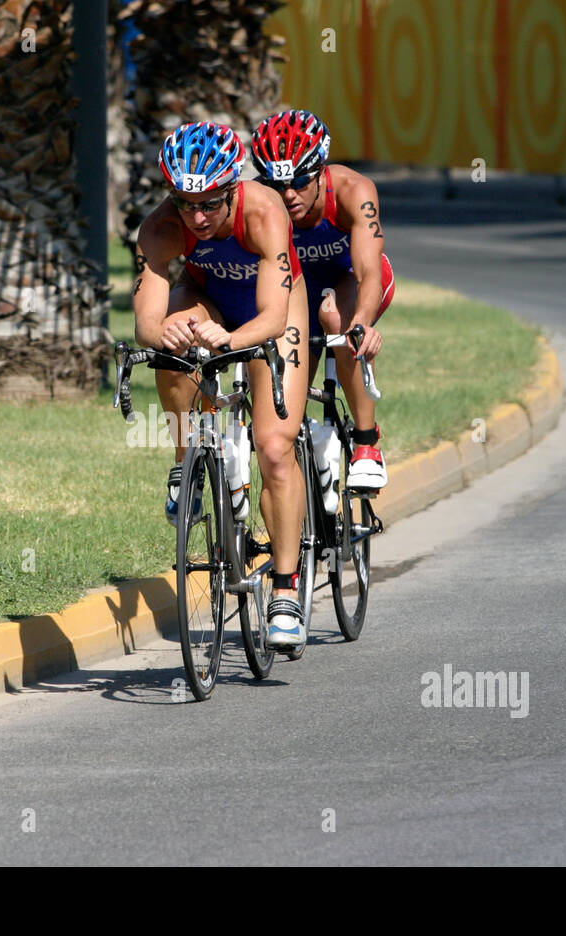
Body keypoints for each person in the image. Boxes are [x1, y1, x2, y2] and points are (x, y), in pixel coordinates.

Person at [132, 121, 311, 647]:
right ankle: (187, 458)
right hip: (208, 302)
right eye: (187, 204)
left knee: (275, 446)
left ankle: (284, 589)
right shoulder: (160, 227)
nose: (200, 217)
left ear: (234, 186)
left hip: (271, 312)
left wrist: (226, 341)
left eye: (212, 203)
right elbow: (145, 320)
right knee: (166, 355)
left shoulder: (263, 211)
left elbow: (274, 316)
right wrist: (168, 330)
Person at [249, 109, 394, 490]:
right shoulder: (261, 203)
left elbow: (367, 272)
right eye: (276, 184)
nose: (289, 194)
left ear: (320, 170)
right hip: (298, 290)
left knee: (338, 322)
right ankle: (309, 440)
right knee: (280, 384)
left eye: (299, 180)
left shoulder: (353, 192)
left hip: (350, 282)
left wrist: (361, 322)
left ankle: (366, 444)